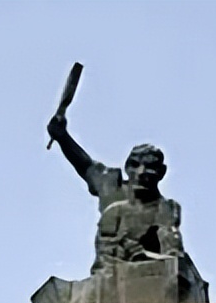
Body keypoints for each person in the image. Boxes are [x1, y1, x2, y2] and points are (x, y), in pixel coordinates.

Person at [46, 113, 186, 274]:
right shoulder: (112, 187)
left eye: (149, 166)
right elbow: (85, 165)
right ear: (127, 167)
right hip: (109, 273)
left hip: (150, 276)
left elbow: (174, 256)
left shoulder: (166, 209)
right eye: (134, 165)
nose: (140, 173)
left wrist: (145, 256)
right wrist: (62, 137)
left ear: (161, 172)